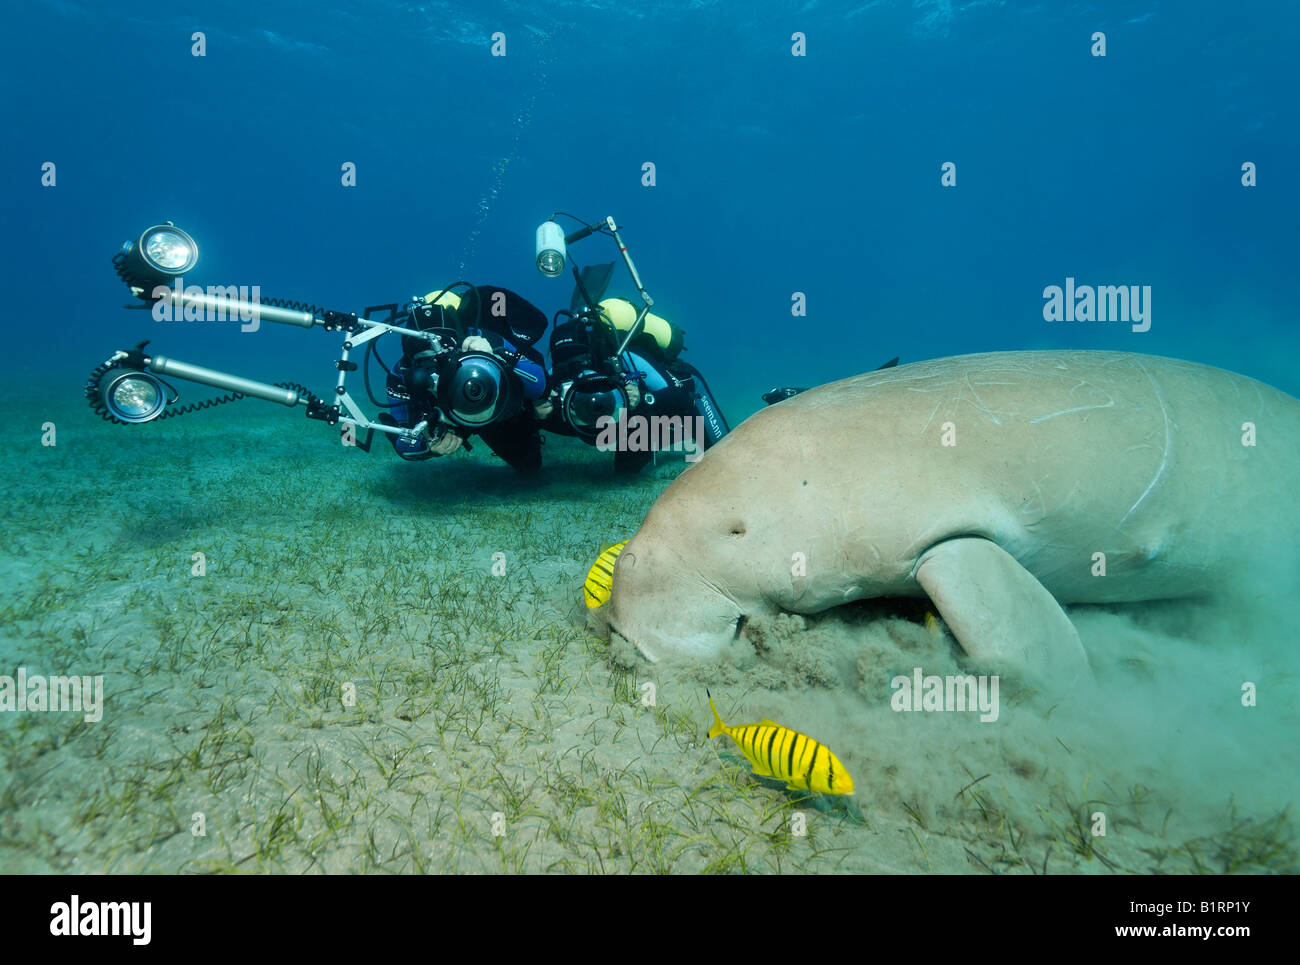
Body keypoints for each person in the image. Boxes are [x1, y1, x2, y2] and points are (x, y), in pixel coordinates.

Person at [538, 265, 729, 472]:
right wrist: (538, 409)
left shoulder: (621, 356)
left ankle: (675, 431)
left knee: (724, 457)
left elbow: (683, 395)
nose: (593, 403)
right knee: (626, 468)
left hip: (686, 390)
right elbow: (534, 398)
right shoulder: (558, 374)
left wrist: (642, 398)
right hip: (635, 412)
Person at [380, 285, 551, 472]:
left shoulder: (479, 339)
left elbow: (539, 384)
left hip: (496, 409)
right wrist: (427, 446)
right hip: (451, 425)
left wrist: (496, 356)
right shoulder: (402, 374)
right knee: (528, 464)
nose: (433, 365)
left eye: (439, 349)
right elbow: (402, 438)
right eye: (422, 356)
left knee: (529, 463)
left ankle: (531, 417)